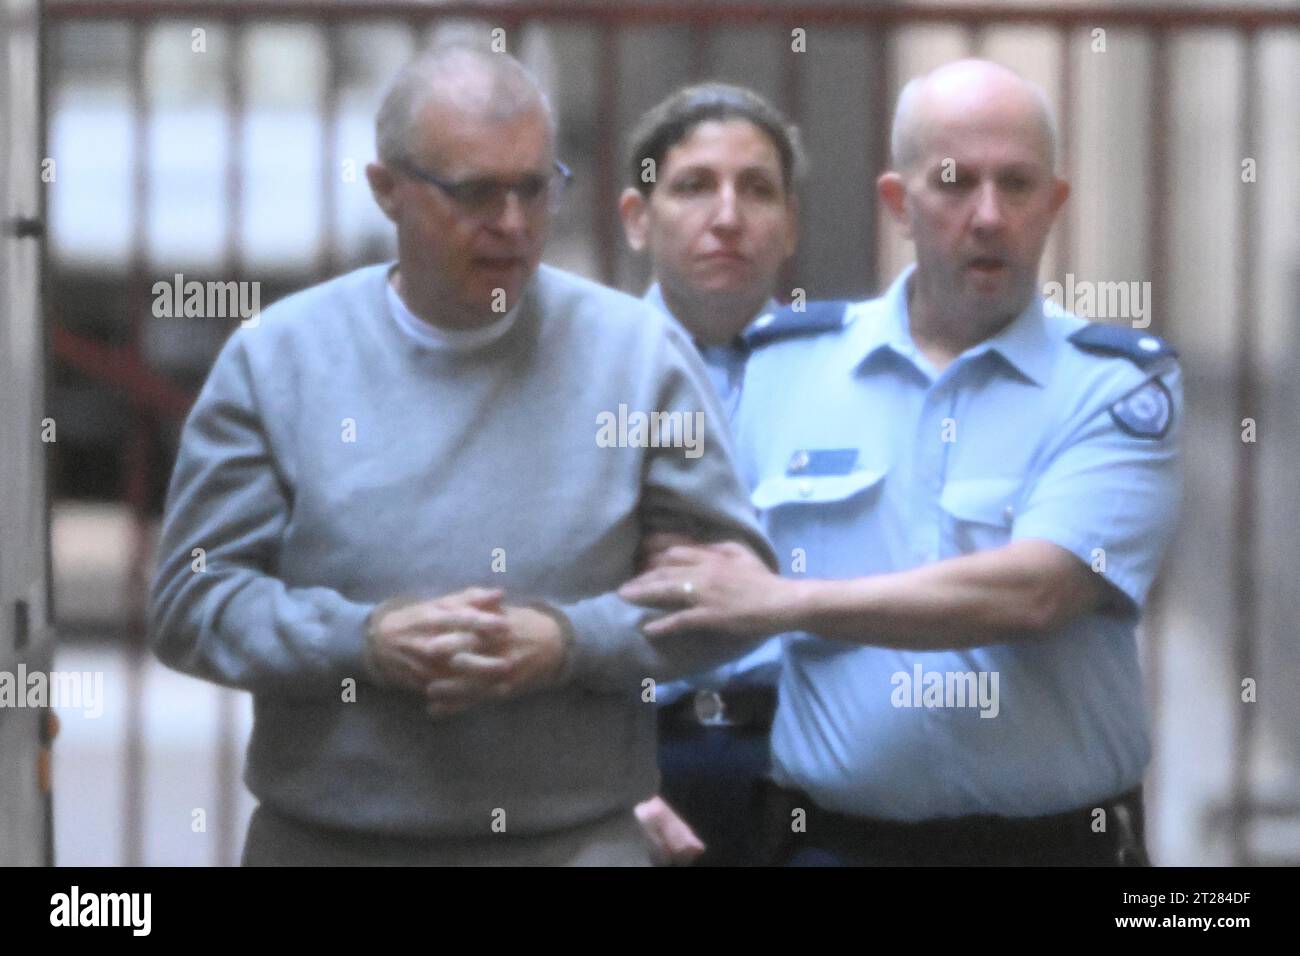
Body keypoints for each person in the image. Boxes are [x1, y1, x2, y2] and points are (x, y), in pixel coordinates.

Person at [148, 45, 773, 867]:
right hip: (330, 843)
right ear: (387, 190)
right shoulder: (281, 360)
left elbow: (731, 592)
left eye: (535, 187)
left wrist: (567, 643)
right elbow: (192, 601)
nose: (513, 223)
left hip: (572, 841)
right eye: (476, 192)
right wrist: (360, 642)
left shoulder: (636, 356)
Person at [620, 59, 1182, 866]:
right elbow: (655, 587)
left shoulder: (1117, 384)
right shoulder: (781, 367)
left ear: (1054, 204)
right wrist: (618, 781)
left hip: (1058, 847)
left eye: (1017, 185)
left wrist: (787, 601)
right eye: (954, 182)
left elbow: (1038, 590)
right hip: (828, 843)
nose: (988, 215)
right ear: (897, 203)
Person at [618, 83, 802, 866]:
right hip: (633, 752)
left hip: (803, 762)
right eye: (694, 186)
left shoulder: (853, 376)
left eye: (757, 189)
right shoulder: (579, 370)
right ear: (637, 217)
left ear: (789, 224)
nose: (728, 215)